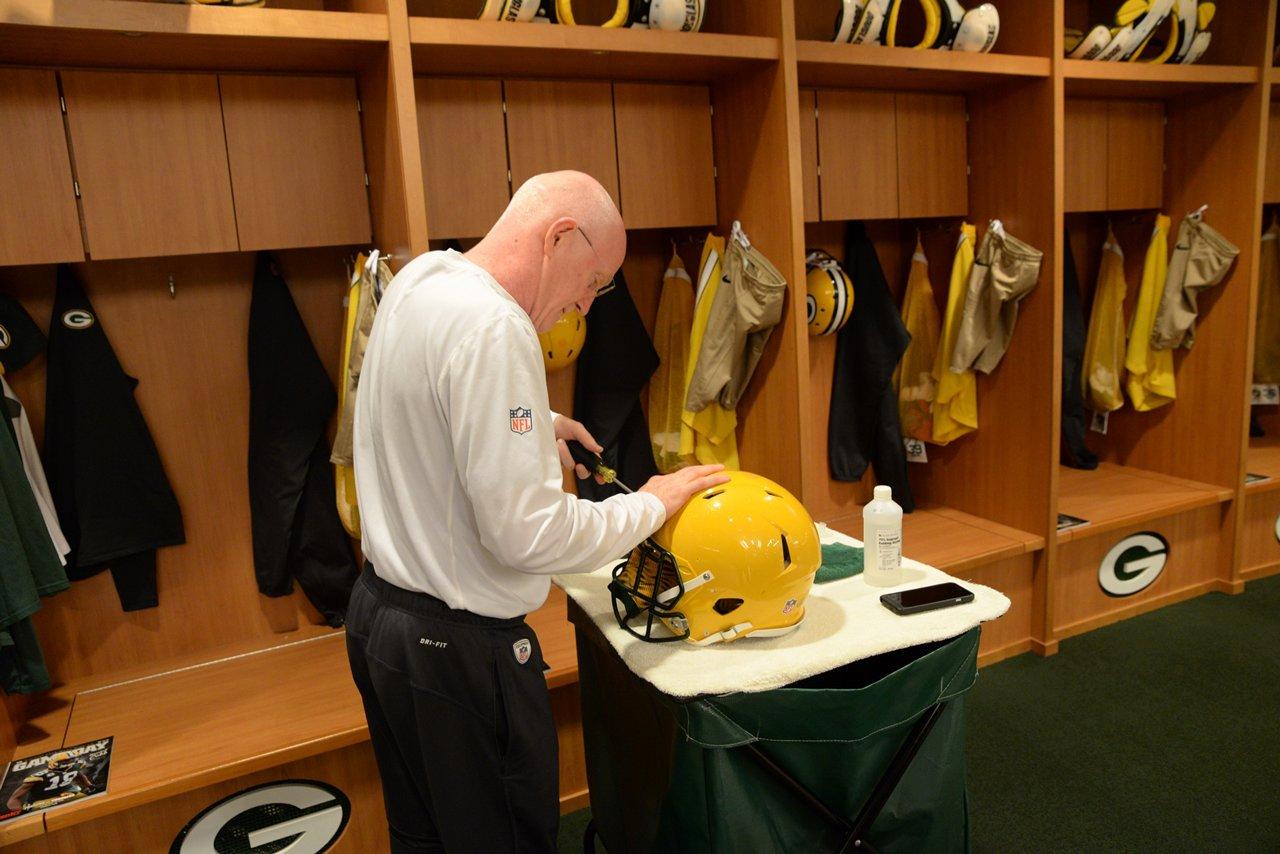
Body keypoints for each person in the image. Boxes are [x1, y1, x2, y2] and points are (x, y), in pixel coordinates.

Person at [346, 170, 728, 853]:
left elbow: (419, 399)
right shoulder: (499, 328)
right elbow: (531, 534)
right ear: (558, 237)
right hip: (456, 654)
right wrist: (649, 504)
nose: (584, 307)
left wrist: (532, 422)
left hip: (380, 624)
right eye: (594, 281)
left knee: (425, 838)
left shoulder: (425, 278)